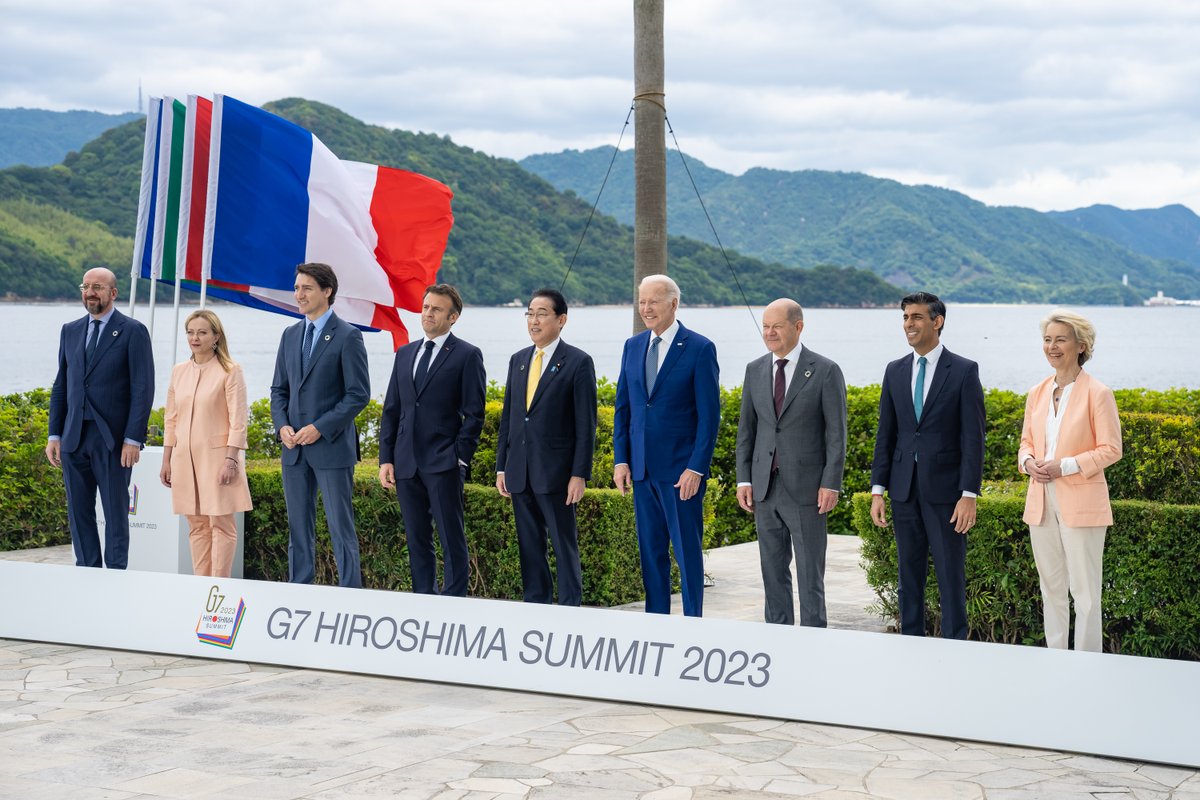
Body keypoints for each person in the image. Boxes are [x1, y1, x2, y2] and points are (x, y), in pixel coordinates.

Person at [869, 291, 985, 639]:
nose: (909, 324)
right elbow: (885, 434)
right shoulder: (895, 370)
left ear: (938, 321)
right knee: (908, 576)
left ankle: (955, 646)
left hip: (947, 493)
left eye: (917, 317)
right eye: (905, 317)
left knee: (950, 576)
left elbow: (973, 438)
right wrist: (878, 490)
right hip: (903, 490)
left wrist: (969, 494)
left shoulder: (964, 370)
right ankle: (911, 645)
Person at [735, 298, 847, 626]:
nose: (769, 333)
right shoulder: (755, 370)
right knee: (773, 577)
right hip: (764, 490)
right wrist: (745, 480)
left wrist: (831, 483)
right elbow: (747, 431)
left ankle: (813, 646)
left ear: (798, 327)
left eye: (777, 326)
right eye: (765, 326)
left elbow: (836, 435)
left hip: (809, 491)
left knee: (810, 579)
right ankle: (778, 644)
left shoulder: (825, 370)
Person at [613, 274, 720, 617]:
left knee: (687, 552)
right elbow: (624, 408)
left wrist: (696, 468)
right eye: (641, 301)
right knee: (651, 553)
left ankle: (692, 624)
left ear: (673, 304)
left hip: (680, 473)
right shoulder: (632, 346)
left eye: (653, 301)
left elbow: (709, 417)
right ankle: (655, 624)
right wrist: (621, 460)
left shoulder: (700, 348)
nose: (646, 308)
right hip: (642, 470)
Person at [1018, 311, 1122, 652]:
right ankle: (1057, 659)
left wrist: (1065, 465)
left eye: (1060, 339)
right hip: (1041, 502)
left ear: (1082, 345)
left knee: (1086, 593)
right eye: (1048, 339)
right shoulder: (1037, 391)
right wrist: (1028, 462)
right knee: (1051, 589)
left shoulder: (1099, 393)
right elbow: (1026, 443)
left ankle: (1088, 663)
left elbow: (1111, 449)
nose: (1052, 346)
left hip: (1082, 504)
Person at [379, 284, 485, 597]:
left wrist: (459, 457)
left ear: (453, 317)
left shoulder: (467, 355)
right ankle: (423, 601)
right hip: (406, 462)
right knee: (417, 539)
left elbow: (474, 415)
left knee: (452, 538)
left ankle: (453, 602)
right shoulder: (405, 353)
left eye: (436, 309)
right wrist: (387, 458)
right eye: (426, 307)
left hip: (444, 463)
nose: (428, 313)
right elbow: (392, 411)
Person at [46, 266, 154, 569]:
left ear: (113, 293)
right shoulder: (70, 330)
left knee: (116, 515)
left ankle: (116, 577)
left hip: (114, 441)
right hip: (73, 439)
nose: (90, 292)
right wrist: (55, 434)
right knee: (78, 514)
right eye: (86, 286)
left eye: (98, 287)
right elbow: (61, 385)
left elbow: (143, 389)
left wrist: (133, 439)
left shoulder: (133, 330)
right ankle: (87, 575)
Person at [270, 262, 370, 588]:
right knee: (299, 529)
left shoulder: (348, 336)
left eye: (306, 288)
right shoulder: (290, 335)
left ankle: (350, 593)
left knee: (341, 528)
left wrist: (320, 427)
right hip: (293, 450)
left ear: (327, 291)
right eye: (297, 288)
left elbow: (358, 395)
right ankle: (300, 590)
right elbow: (279, 391)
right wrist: (282, 426)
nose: (299, 294)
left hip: (330, 448)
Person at [496, 288, 597, 606]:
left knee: (564, 543)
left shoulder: (578, 362)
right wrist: (502, 465)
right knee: (529, 544)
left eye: (542, 313)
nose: (534, 320)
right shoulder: (519, 360)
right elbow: (510, 418)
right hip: (520, 470)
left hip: (557, 473)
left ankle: (570, 605)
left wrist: (579, 473)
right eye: (530, 313)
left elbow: (586, 424)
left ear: (561, 319)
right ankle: (536, 603)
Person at [159, 310, 253, 578]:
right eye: (190, 332)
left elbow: (238, 420)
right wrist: (166, 459)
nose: (195, 338)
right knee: (196, 524)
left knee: (221, 524)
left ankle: (219, 586)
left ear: (216, 337)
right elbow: (171, 418)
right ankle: (200, 585)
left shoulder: (230, 371)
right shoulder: (179, 371)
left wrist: (231, 460)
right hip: (183, 459)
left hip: (218, 459)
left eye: (202, 332)